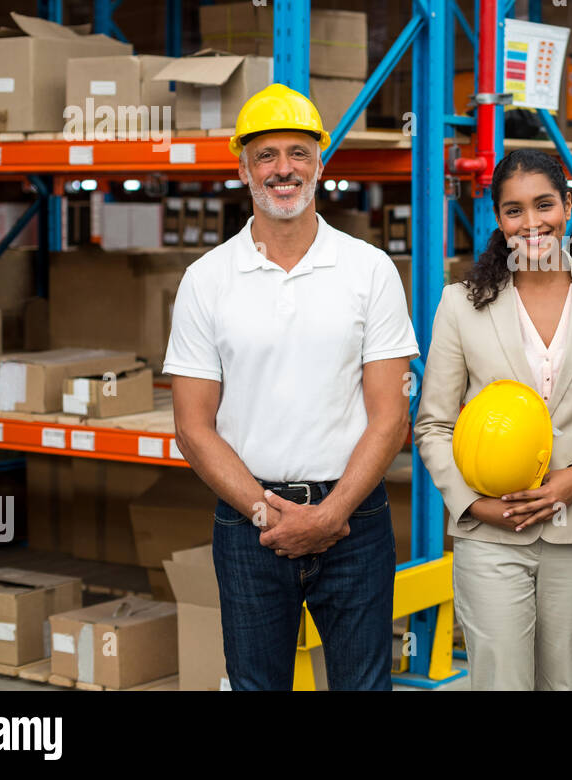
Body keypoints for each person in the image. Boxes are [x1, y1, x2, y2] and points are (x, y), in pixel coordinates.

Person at [164, 84, 418, 690]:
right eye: (267, 155)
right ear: (244, 168)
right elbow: (193, 428)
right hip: (250, 525)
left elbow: (391, 416)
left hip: (354, 520)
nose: (284, 169)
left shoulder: (369, 270)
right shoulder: (206, 281)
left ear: (321, 163)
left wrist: (330, 515)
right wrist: (265, 512)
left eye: (299, 153)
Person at [413, 148, 572, 690]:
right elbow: (433, 425)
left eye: (544, 204)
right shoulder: (460, 304)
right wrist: (475, 506)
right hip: (491, 536)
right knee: (500, 682)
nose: (531, 222)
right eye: (514, 210)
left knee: (566, 682)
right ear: (498, 217)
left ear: (568, 205)